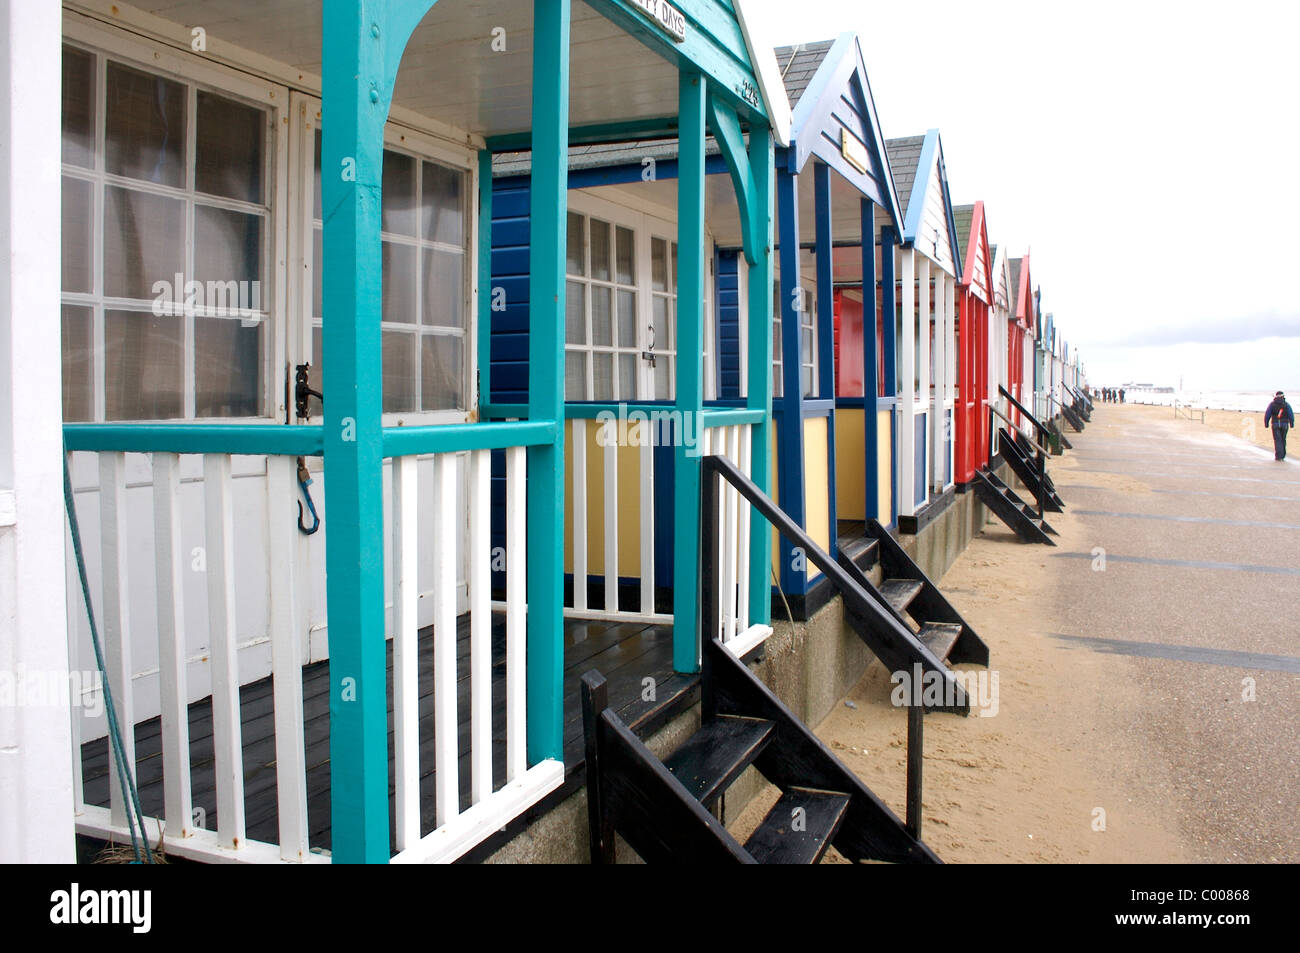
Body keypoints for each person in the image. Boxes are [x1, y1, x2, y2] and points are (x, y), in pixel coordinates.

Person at [1265, 391, 1294, 461]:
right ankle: (1282, 456)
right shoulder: (1286, 404)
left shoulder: (1272, 404)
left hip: (1275, 424)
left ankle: (1278, 456)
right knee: (1283, 440)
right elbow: (1291, 414)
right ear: (1283, 396)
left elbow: (1267, 414)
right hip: (1284, 424)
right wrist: (1291, 423)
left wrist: (1266, 423)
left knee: (1277, 440)